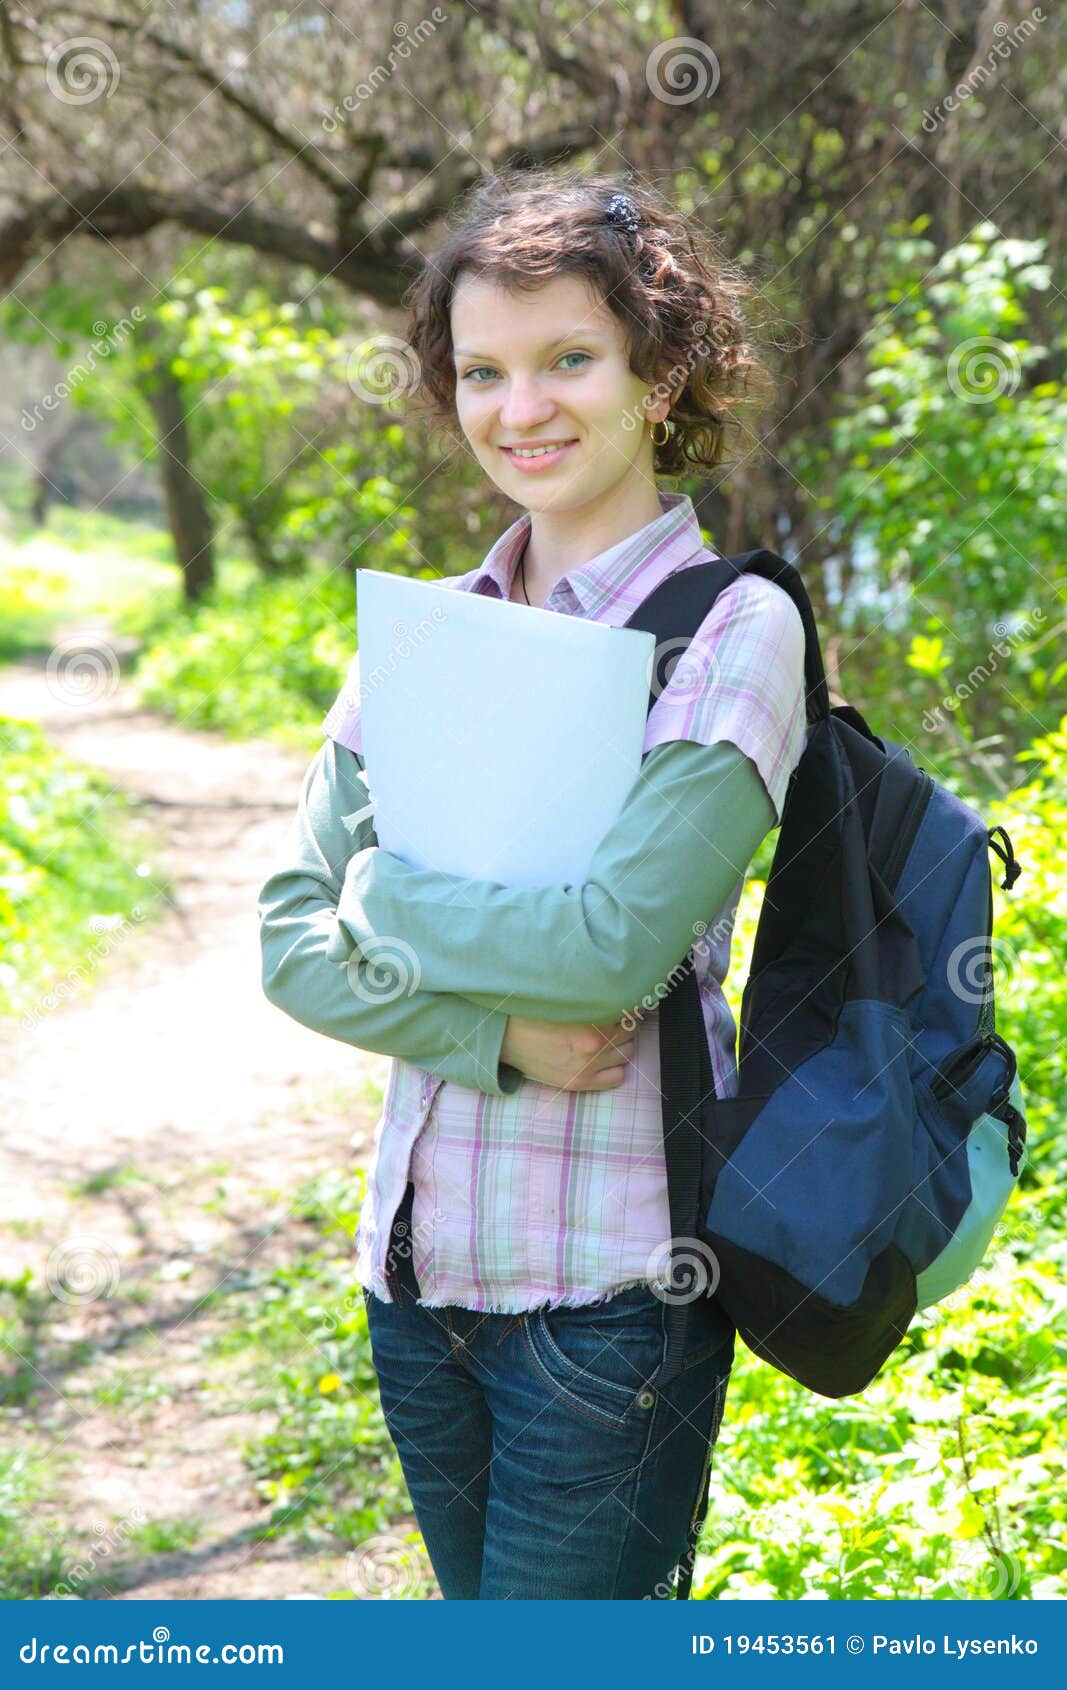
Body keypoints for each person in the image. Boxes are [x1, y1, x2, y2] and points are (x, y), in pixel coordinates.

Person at [257, 166, 808, 1600]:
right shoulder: (420, 632)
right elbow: (282, 943)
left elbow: (606, 952)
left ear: (662, 368)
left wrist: (381, 889)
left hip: (614, 1300)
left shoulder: (730, 630)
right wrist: (485, 1038)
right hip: (414, 1282)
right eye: (486, 371)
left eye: (571, 358)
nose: (524, 408)